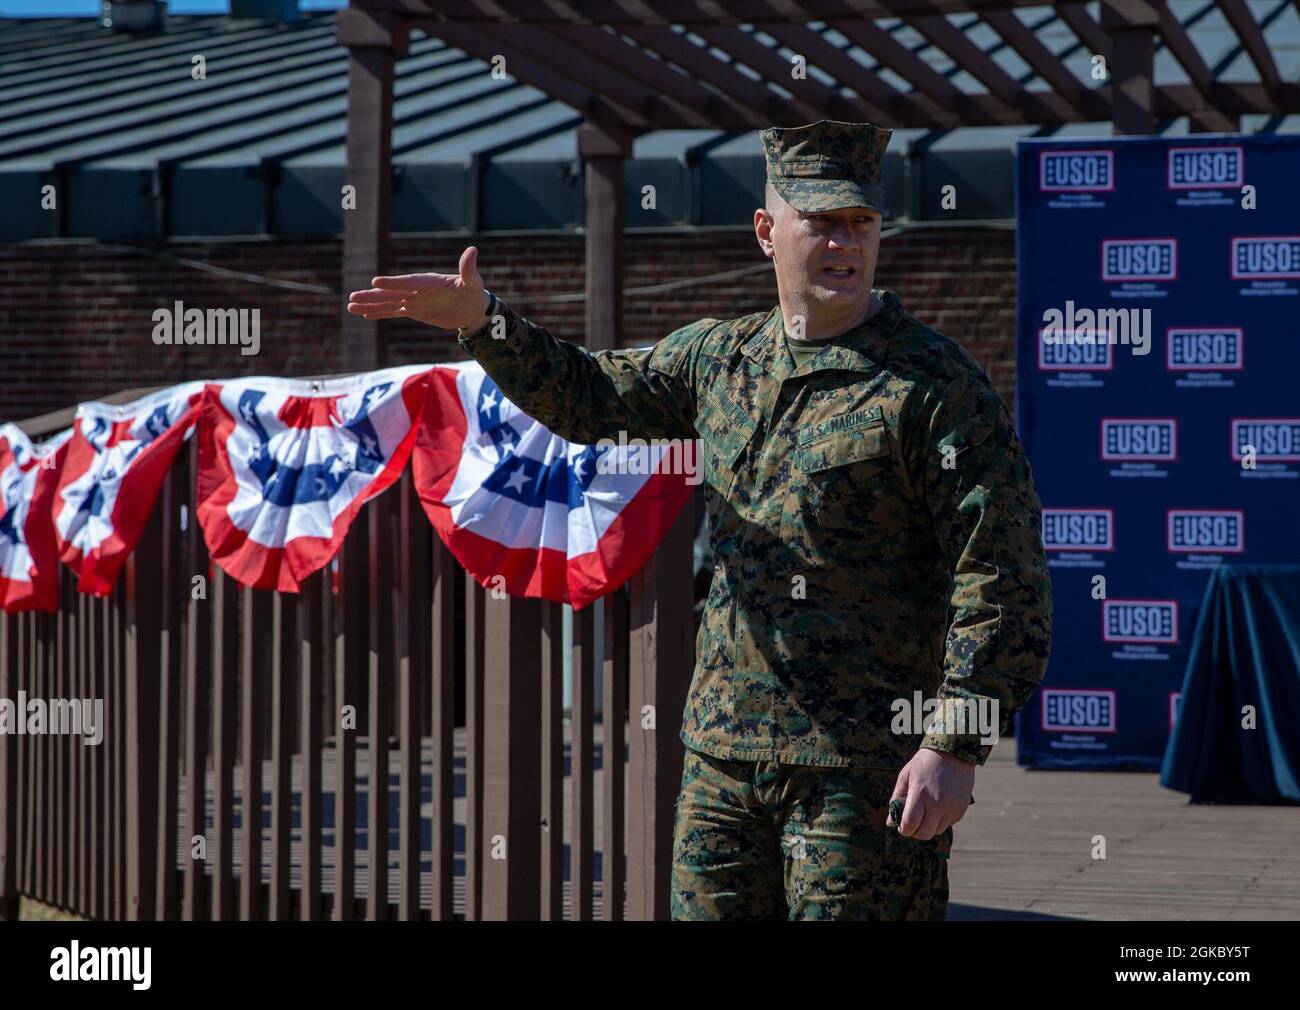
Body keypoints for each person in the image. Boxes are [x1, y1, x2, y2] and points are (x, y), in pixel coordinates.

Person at [347, 119, 1052, 921]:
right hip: (724, 756)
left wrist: (954, 744)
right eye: (820, 222)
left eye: (859, 222)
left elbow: (1002, 574)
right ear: (767, 231)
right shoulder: (718, 358)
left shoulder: (933, 385)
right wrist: (485, 321)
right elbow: (589, 396)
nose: (842, 243)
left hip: (862, 770)